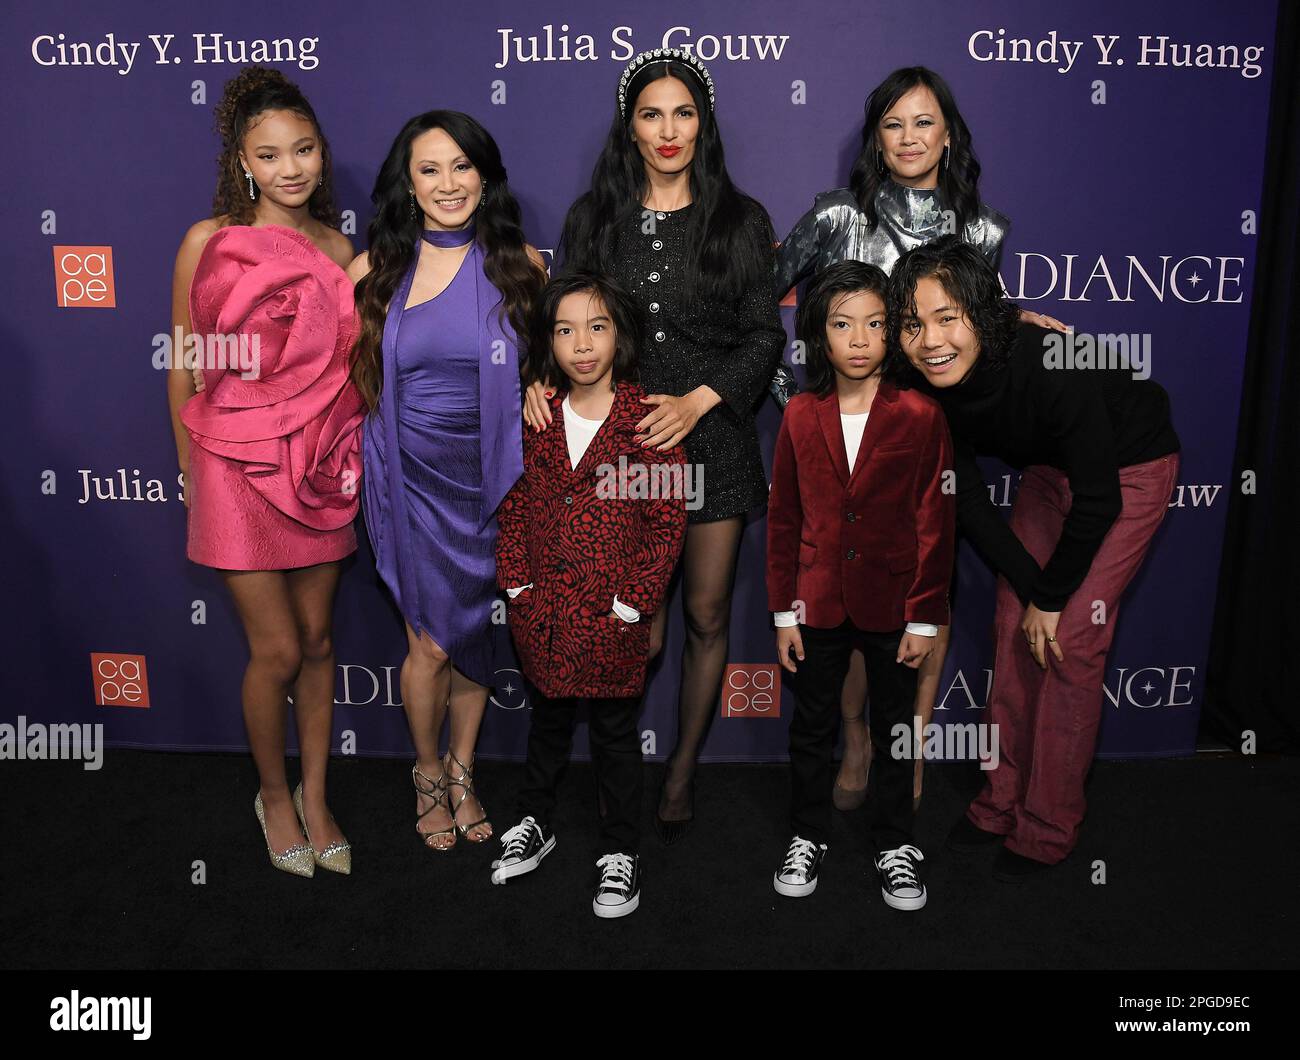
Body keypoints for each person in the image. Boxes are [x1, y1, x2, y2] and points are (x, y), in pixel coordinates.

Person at [769, 66, 1066, 816]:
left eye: (924, 122)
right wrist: (801, 401)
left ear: (948, 134)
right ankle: (858, 740)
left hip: (936, 437)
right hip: (845, 438)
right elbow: (757, 300)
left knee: (921, 596)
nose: (909, 138)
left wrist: (1015, 317)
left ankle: (912, 755)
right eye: (894, 124)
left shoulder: (983, 230)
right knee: (846, 588)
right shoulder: (838, 216)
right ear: (876, 135)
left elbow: (975, 326)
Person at [523, 47, 787, 843]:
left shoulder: (742, 221)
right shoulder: (593, 220)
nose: (667, 130)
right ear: (629, 127)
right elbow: (565, 316)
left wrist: (701, 402)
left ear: (702, 124)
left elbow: (763, 336)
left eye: (682, 113)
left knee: (707, 616)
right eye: (650, 113)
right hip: (624, 451)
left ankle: (679, 771)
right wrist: (539, 377)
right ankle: (618, 768)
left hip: (712, 446)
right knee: (639, 621)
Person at [890, 235, 1180, 880]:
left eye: (947, 318)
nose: (930, 340)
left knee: (1070, 641)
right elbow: (963, 502)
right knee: (1012, 623)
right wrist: (1032, 592)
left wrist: (1052, 600)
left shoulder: (1053, 359)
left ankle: (1048, 825)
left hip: (1128, 472)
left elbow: (1099, 499)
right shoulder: (921, 380)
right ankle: (1000, 801)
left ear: (983, 316)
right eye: (913, 324)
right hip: (1049, 475)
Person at [168, 66, 362, 877]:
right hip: (230, 462)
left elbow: (348, 366)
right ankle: (273, 795)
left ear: (320, 153)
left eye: (304, 149)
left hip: (318, 459)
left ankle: (316, 797)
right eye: (271, 154)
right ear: (244, 161)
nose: (292, 168)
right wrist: (188, 467)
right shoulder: (205, 241)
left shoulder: (340, 248)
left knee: (318, 642)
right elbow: (185, 360)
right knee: (277, 649)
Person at [349, 111, 547, 851]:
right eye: (430, 169)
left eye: (462, 167)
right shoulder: (375, 270)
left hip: (492, 476)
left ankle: (464, 768)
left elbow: (550, 369)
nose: (448, 184)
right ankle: (427, 771)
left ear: (485, 175)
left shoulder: (519, 264)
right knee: (429, 643)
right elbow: (336, 381)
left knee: (474, 636)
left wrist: (540, 387)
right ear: (407, 183)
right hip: (407, 479)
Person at [492, 271, 687, 917]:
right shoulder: (537, 415)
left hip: (613, 620)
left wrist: (634, 604)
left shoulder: (646, 422)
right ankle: (535, 821)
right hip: (542, 614)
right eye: (566, 329)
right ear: (549, 341)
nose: (582, 343)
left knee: (613, 736)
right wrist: (516, 583)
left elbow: (664, 525)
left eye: (597, 327)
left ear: (621, 336)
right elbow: (515, 508)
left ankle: (619, 852)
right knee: (546, 726)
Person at [767, 261, 954, 909]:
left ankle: (896, 841)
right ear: (819, 334)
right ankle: (806, 833)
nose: (859, 339)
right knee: (811, 726)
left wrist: (926, 617)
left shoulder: (921, 415)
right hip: (816, 601)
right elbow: (784, 518)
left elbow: (935, 519)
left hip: (896, 604)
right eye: (843, 325)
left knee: (897, 726)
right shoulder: (798, 414)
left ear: (893, 333)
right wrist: (783, 614)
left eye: (875, 325)